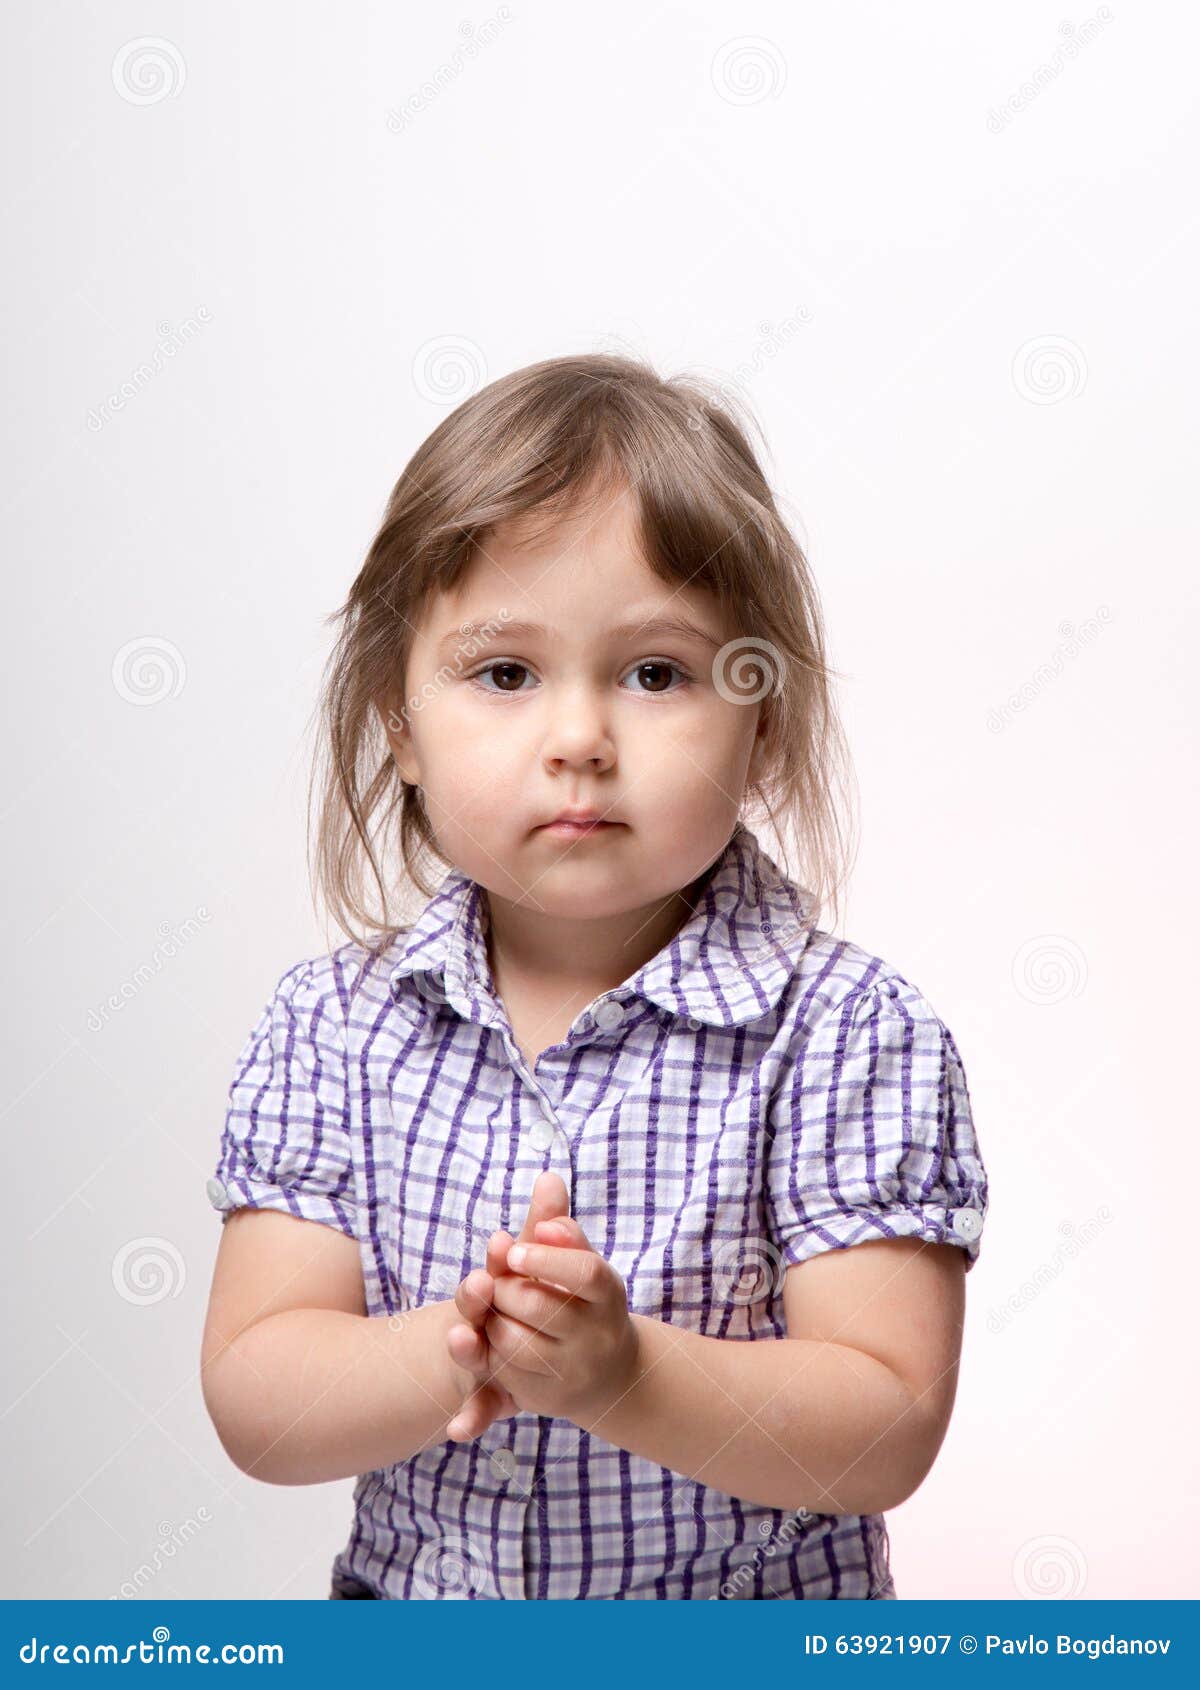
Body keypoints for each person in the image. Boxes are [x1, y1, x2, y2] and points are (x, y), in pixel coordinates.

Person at [199, 352, 988, 1600]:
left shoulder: (847, 1032)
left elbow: (885, 1420)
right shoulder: (332, 1025)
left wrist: (623, 1375)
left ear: (762, 722)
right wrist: (461, 1347)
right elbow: (259, 1400)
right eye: (504, 674)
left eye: (657, 673)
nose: (578, 740)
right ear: (398, 723)